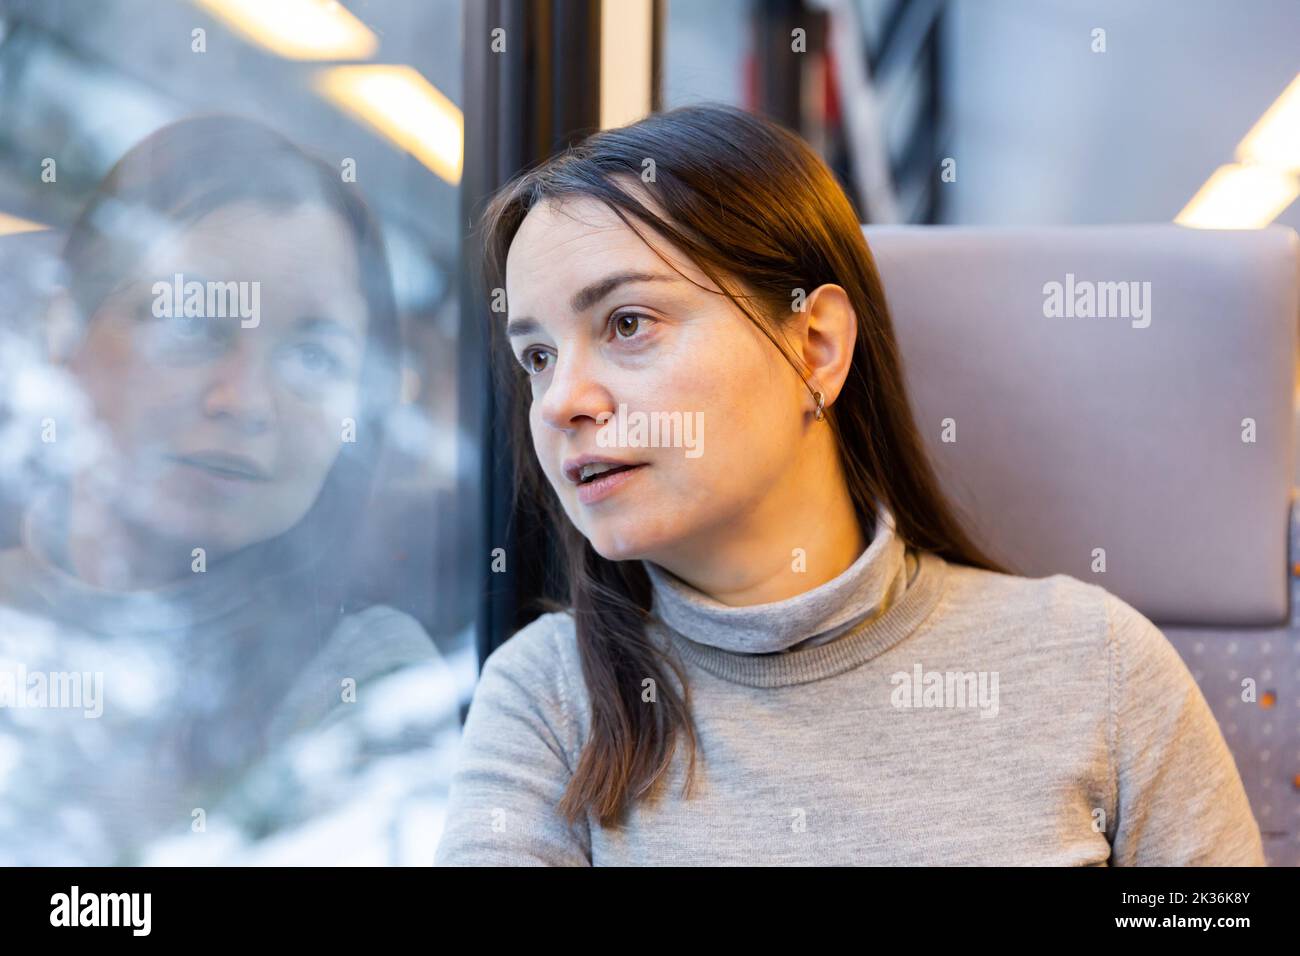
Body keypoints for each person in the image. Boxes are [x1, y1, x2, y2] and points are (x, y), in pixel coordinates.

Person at [434, 103, 1266, 866]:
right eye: (537, 357)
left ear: (817, 347)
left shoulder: (1099, 666)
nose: (562, 403)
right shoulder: (545, 700)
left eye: (627, 323)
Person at [0, 115, 456, 865]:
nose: (245, 399)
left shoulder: (364, 683)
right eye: (191, 323)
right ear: (64, 331)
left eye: (313, 354)